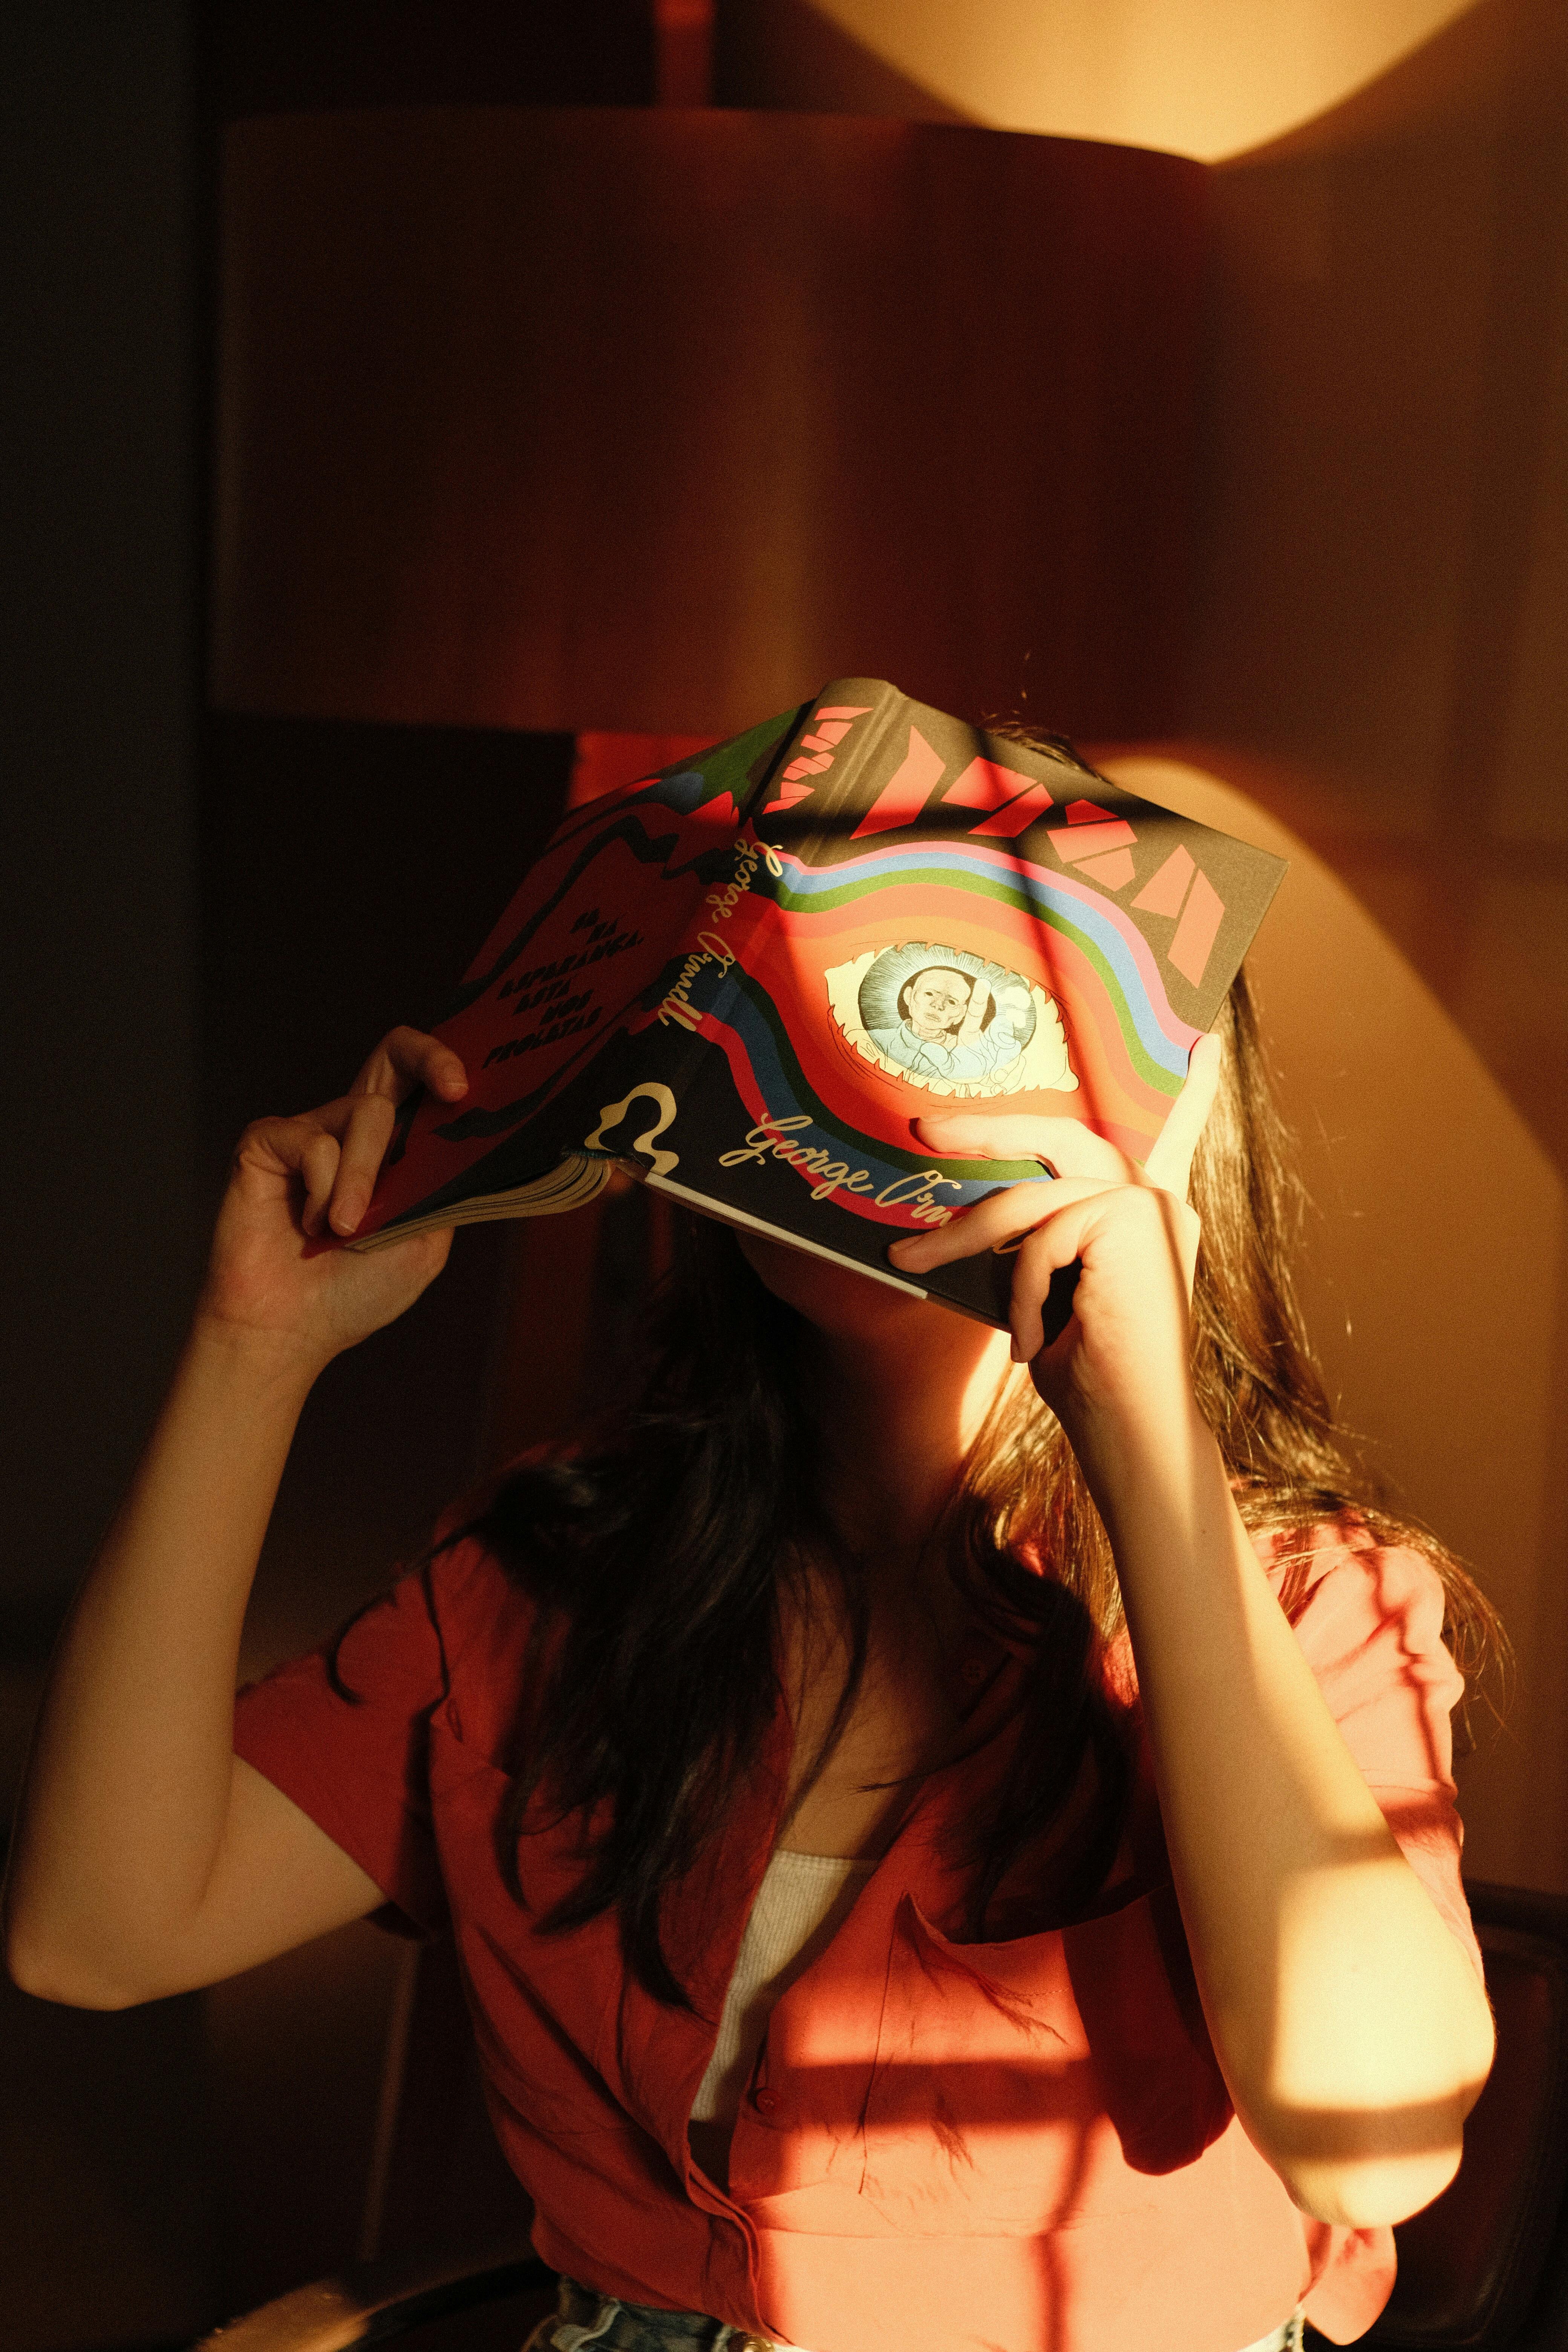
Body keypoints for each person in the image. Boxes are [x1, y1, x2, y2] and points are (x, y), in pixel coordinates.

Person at [3, 973, 1498, 2352]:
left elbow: (1374, 2138)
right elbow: (96, 1930)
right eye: (804, 1022)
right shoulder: (565, 1578)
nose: (855, 1089)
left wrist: (1140, 1432)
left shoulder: (1314, 1604)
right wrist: (250, 1347)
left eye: (949, 1025)